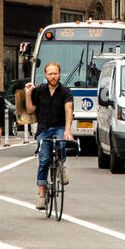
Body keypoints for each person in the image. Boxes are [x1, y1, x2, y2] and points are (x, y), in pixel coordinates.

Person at [25, 61, 73, 208]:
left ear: (60, 74)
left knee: (61, 144)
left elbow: (68, 110)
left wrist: (67, 130)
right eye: (50, 74)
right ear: (45, 75)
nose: (53, 76)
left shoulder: (66, 91)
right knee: (44, 160)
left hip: (59, 127)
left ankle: (61, 166)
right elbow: (30, 109)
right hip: (44, 128)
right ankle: (41, 196)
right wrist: (28, 94)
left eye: (55, 73)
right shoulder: (39, 90)